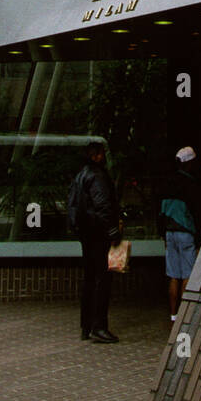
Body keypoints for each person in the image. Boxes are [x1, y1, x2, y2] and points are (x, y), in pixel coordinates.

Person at [69, 142, 121, 344]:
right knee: (102, 279)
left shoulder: (81, 175)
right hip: (98, 233)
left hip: (87, 233)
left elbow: (74, 205)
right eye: (102, 153)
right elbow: (102, 205)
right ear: (96, 155)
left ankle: (87, 325)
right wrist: (112, 230)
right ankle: (99, 326)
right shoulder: (97, 176)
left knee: (90, 279)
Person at [160, 146, 201, 321]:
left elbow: (160, 212)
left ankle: (173, 314)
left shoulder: (167, 183)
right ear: (190, 163)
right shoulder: (191, 184)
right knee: (188, 276)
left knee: (174, 276)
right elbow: (199, 213)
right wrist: (199, 239)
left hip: (170, 233)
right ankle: (185, 316)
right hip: (186, 233)